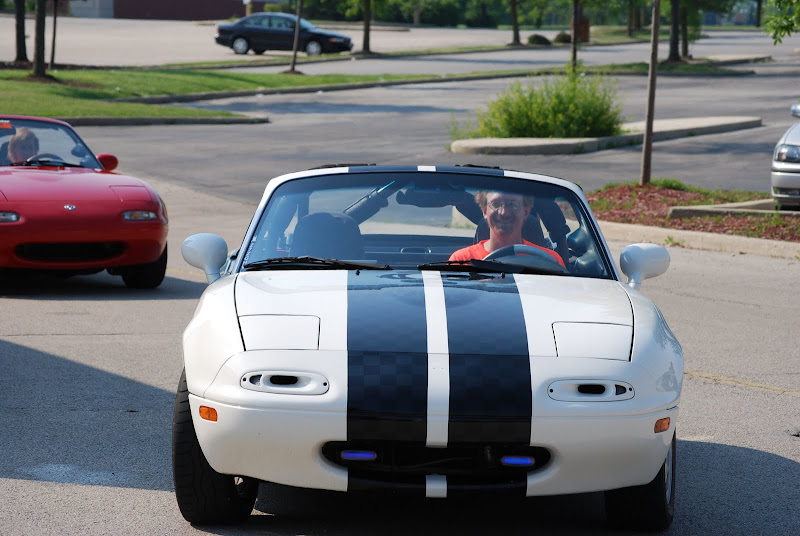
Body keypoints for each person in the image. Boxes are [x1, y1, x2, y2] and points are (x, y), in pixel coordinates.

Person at [449, 190, 566, 268]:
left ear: (526, 212)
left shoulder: (550, 261)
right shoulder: (461, 260)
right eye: (495, 204)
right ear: (484, 211)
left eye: (512, 205)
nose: (503, 212)